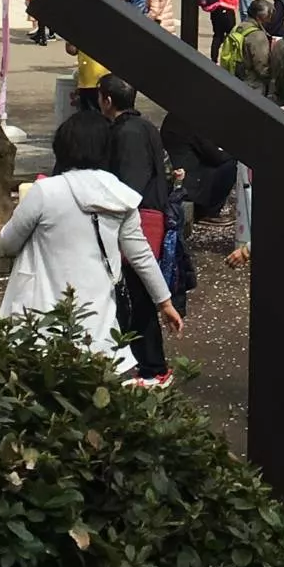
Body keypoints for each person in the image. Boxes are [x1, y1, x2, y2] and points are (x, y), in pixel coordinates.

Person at [0, 108, 180, 370]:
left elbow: (7, 243)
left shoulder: (45, 192)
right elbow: (141, 256)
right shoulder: (121, 196)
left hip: (38, 312)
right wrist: (164, 302)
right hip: (97, 315)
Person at [98, 75, 177, 383]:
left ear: (106, 99)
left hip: (138, 216)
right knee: (138, 291)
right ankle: (149, 364)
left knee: (135, 294)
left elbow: (129, 186)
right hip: (150, 212)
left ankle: (151, 366)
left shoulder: (126, 133)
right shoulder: (144, 126)